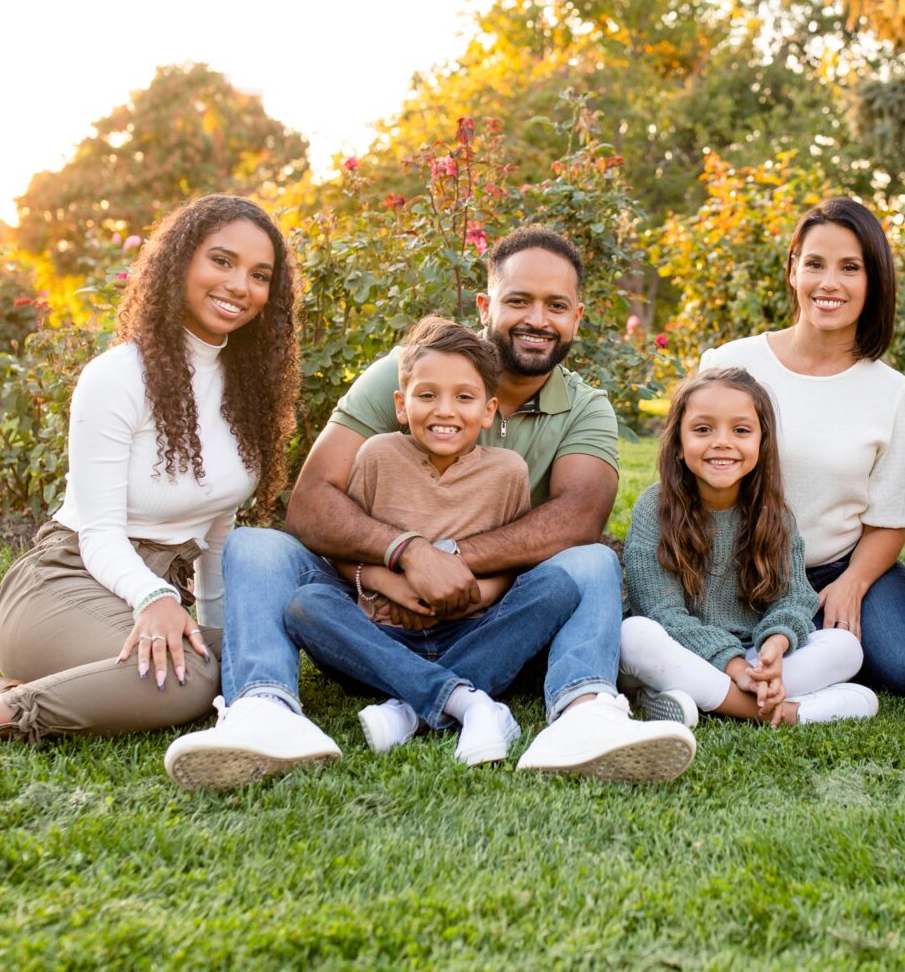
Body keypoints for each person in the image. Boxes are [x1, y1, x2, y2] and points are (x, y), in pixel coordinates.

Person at [163, 225, 696, 788]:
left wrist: (449, 563)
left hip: (492, 624)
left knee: (592, 562)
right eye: (519, 301)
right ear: (486, 306)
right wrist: (406, 557)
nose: (537, 319)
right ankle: (263, 709)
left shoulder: (586, 408)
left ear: (576, 317)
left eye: (556, 306)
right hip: (374, 620)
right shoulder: (409, 372)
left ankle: (584, 714)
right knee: (256, 546)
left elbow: (577, 521)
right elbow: (312, 505)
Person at [0, 194, 301, 774]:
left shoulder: (249, 390)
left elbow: (217, 533)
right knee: (193, 674)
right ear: (181, 261)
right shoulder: (118, 375)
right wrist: (157, 599)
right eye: (222, 261)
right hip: (65, 583)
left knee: (241, 652)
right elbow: (100, 532)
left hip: (151, 596)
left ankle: (18, 695)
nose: (239, 285)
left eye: (259, 275)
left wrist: (216, 626)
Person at [275, 316, 581, 769]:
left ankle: (409, 708)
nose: (445, 411)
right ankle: (470, 702)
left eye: (464, 397)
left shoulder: (507, 471)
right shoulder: (377, 455)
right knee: (307, 604)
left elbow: (511, 566)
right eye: (427, 395)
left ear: (488, 410)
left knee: (556, 587)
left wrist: (470, 596)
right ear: (402, 405)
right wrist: (393, 585)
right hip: (383, 636)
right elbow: (343, 551)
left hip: (470, 629)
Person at [700, 197, 905, 696]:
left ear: (873, 281)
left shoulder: (894, 392)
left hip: (839, 563)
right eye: (815, 264)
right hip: (742, 566)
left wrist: (852, 584)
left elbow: (889, 520)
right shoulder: (731, 364)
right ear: (793, 270)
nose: (829, 283)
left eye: (850, 268)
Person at [619, 368, 877, 727]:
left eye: (741, 430)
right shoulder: (654, 508)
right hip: (680, 647)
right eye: (703, 429)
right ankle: (780, 711)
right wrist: (734, 667)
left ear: (762, 441)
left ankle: (693, 696)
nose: (722, 442)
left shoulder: (773, 513)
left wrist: (775, 645)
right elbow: (662, 614)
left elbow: (793, 598)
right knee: (633, 636)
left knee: (844, 647)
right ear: (677, 443)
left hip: (750, 653)